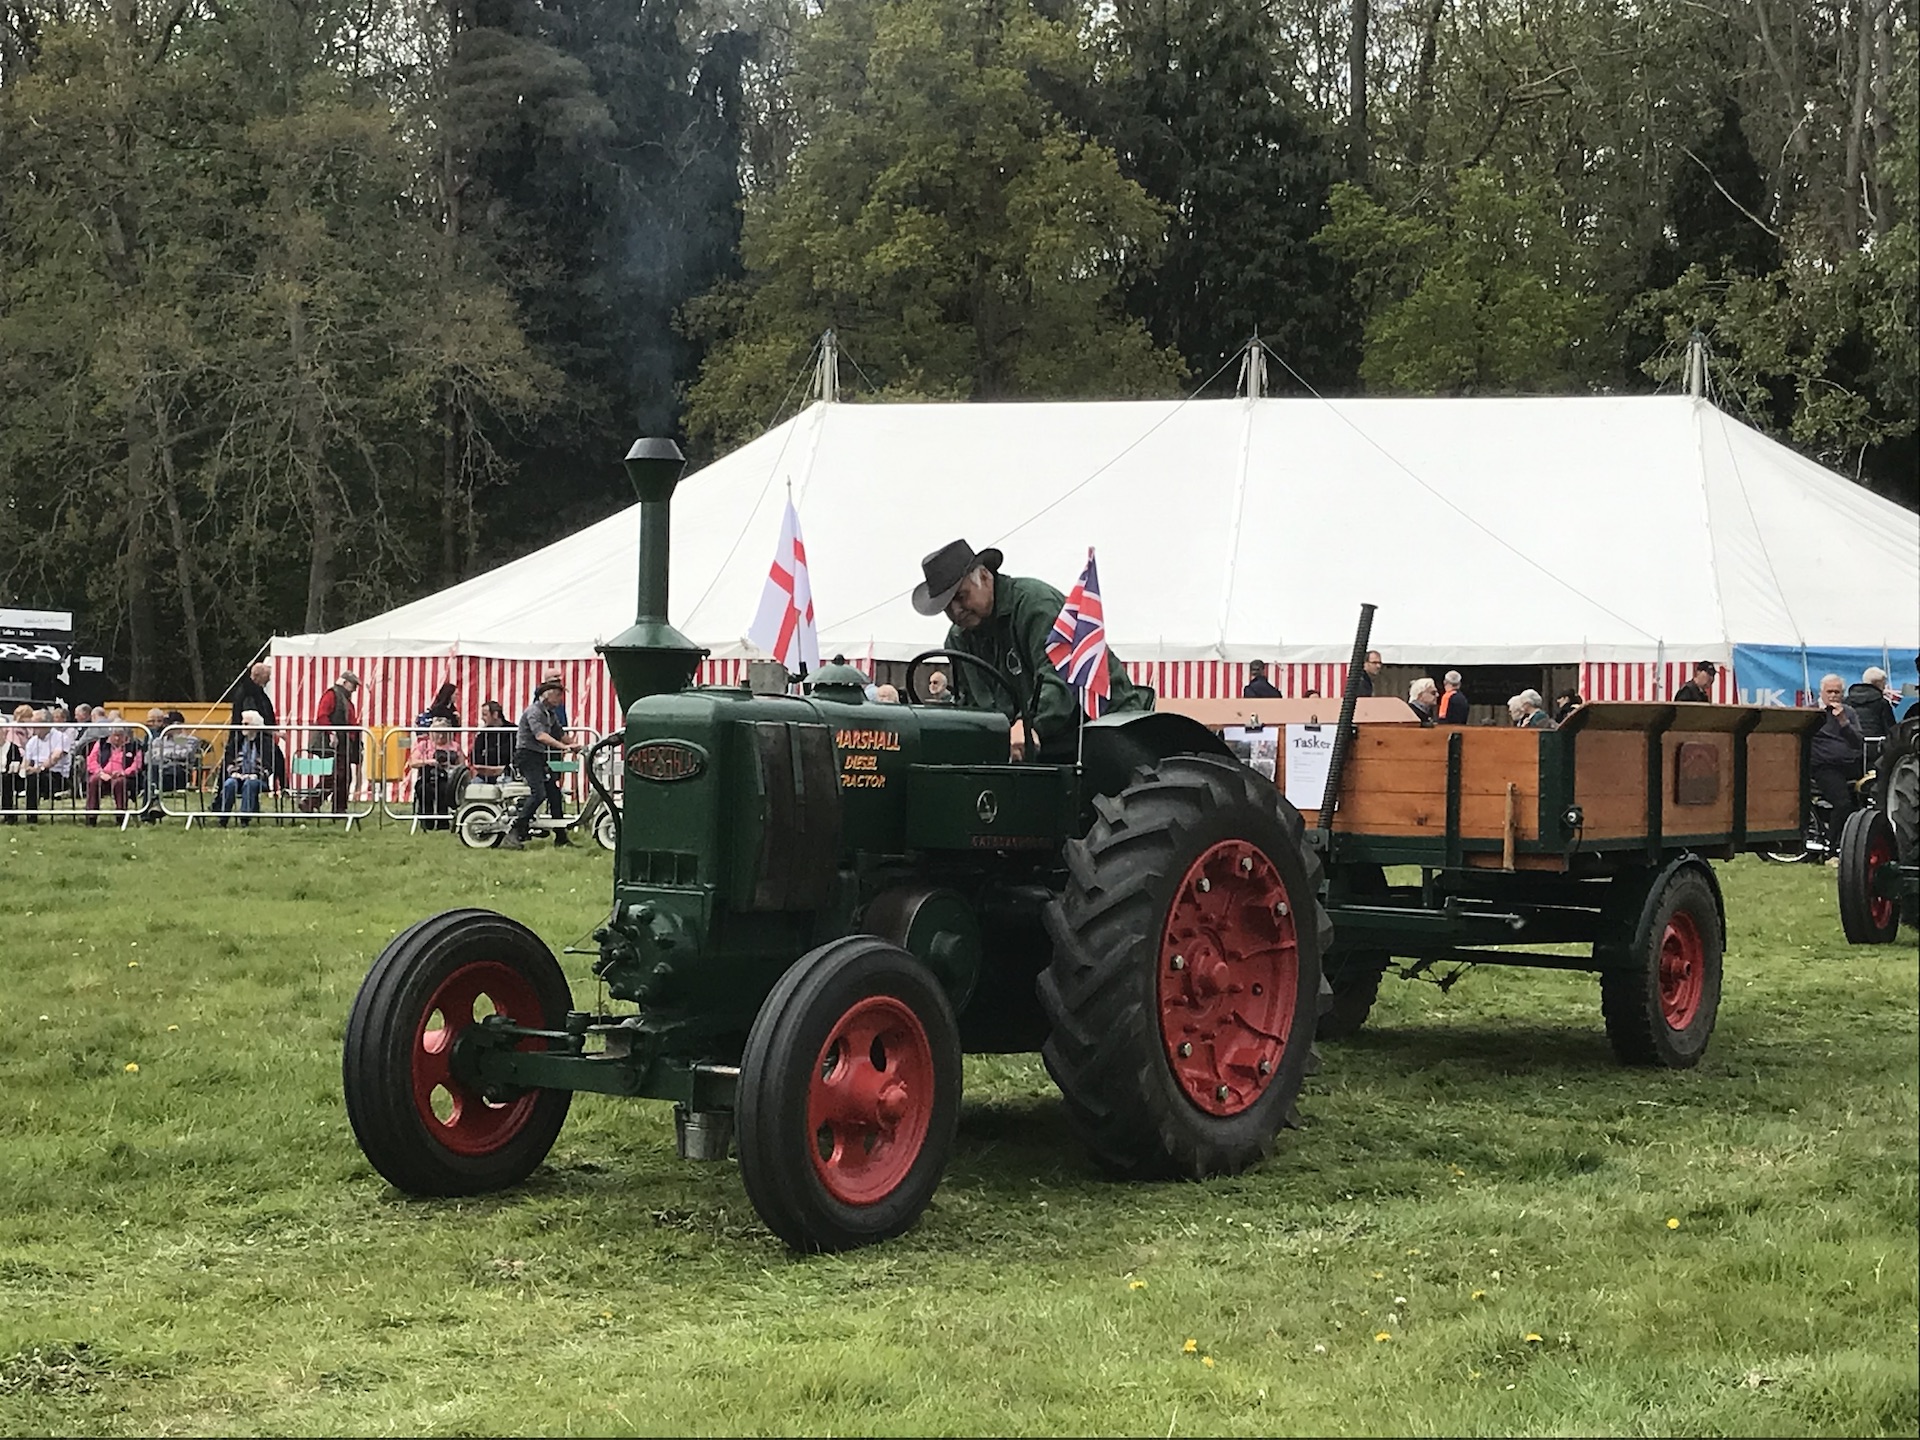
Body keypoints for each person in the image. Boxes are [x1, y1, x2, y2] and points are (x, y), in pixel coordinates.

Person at [912, 538, 1152, 762]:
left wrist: (1030, 725)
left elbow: (1060, 676)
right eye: (946, 607)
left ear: (984, 577)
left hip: (1095, 726)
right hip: (1027, 743)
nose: (956, 611)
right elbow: (975, 705)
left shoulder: (1035, 606)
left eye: (962, 597)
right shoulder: (958, 640)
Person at [503, 678, 580, 849]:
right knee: (539, 793)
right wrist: (563, 747)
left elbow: (559, 733)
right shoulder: (534, 712)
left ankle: (561, 837)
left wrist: (575, 746)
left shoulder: (550, 714)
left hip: (538, 757)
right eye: (558, 695)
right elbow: (541, 736)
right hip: (527, 756)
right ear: (547, 695)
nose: (561, 699)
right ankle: (515, 831)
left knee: (554, 794)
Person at [1809, 672, 1866, 836]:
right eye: (1830, 692)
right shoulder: (1812, 711)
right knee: (1842, 803)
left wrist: (1843, 722)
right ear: (1821, 693)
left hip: (1849, 764)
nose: (1833, 696)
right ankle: (1833, 847)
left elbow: (1857, 742)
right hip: (1824, 766)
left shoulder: (1849, 712)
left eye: (1837, 692)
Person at [302, 670, 363, 814]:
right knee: (335, 775)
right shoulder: (332, 695)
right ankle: (312, 802)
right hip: (333, 744)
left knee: (343, 776)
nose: (355, 688)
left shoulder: (342, 698)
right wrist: (331, 733)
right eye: (353, 684)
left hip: (343, 744)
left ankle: (337, 808)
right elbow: (322, 716)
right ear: (344, 682)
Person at [213, 711, 274, 826]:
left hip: (259, 780)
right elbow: (228, 761)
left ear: (255, 726)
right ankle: (223, 817)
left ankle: (244, 818)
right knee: (229, 783)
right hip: (238, 777)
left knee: (250, 784)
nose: (242, 727)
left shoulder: (266, 743)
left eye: (246, 724)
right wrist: (234, 772)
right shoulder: (237, 741)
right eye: (242, 723)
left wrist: (256, 775)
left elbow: (269, 766)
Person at [409, 716, 469, 830]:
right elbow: (412, 762)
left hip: (446, 779)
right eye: (438, 733)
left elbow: (462, 765)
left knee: (444, 790)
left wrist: (450, 765)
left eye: (444, 733)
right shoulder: (424, 745)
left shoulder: (455, 746)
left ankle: (443, 822)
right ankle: (427, 822)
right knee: (424, 790)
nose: (441, 736)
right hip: (427, 778)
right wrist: (428, 762)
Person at [84, 724, 141, 824]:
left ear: (126, 735)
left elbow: (137, 764)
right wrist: (100, 773)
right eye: (114, 735)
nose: (117, 738)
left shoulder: (134, 746)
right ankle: (91, 816)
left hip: (124, 777)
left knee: (120, 783)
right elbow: (91, 760)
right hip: (103, 774)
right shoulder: (101, 743)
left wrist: (123, 773)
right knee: (93, 780)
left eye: (120, 735)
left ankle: (120, 815)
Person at [1846, 666, 1897, 748]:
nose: (1885, 687)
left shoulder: (1846, 701)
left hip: (1851, 746)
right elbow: (1890, 729)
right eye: (1884, 683)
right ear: (1879, 683)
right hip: (1876, 747)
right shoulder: (1882, 703)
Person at [470, 699, 516, 779]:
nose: (482, 718)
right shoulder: (483, 733)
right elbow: (475, 754)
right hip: (484, 775)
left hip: (506, 774)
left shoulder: (512, 731)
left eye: (485, 714)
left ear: (495, 714)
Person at [1, 704, 32, 822]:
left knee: (7, 780)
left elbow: (16, 760)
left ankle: (9, 815)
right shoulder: (15, 730)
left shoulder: (12, 747)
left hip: (10, 774)